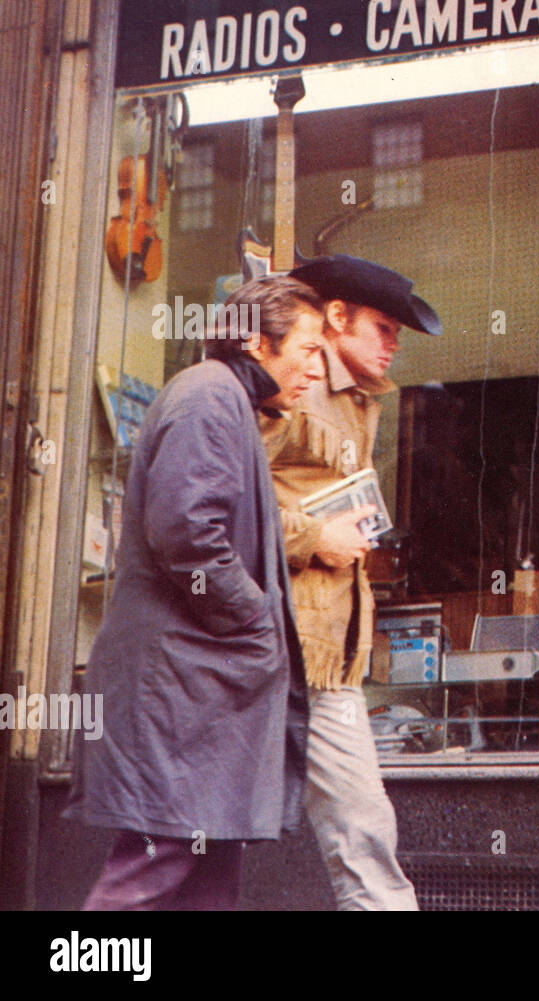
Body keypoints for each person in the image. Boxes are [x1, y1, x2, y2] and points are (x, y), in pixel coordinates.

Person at [65, 275, 328, 910]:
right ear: (259, 345)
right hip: (183, 696)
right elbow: (186, 532)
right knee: (151, 873)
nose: (318, 369)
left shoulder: (220, 398)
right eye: (309, 349)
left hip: (197, 694)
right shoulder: (211, 396)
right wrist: (256, 618)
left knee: (204, 880)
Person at [261, 255, 440, 910]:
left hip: (323, 650)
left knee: (363, 831)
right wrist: (315, 539)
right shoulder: (296, 385)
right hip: (284, 647)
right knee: (365, 833)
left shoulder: (360, 399)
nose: (393, 344)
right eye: (384, 326)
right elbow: (219, 493)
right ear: (336, 317)